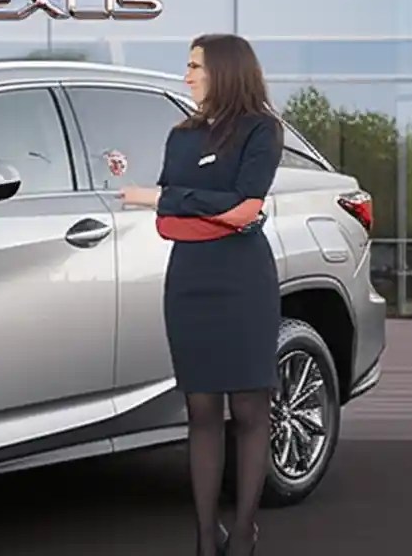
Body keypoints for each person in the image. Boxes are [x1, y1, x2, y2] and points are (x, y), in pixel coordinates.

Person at [119, 33, 282, 556]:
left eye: (195, 66)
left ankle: (245, 532)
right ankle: (205, 536)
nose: (187, 76)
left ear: (226, 71)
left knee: (251, 408)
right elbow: (169, 222)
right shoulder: (181, 136)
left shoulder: (262, 130)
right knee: (202, 410)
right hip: (189, 279)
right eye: (187, 65)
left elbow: (245, 210)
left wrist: (170, 198)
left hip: (244, 282)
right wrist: (190, 205)